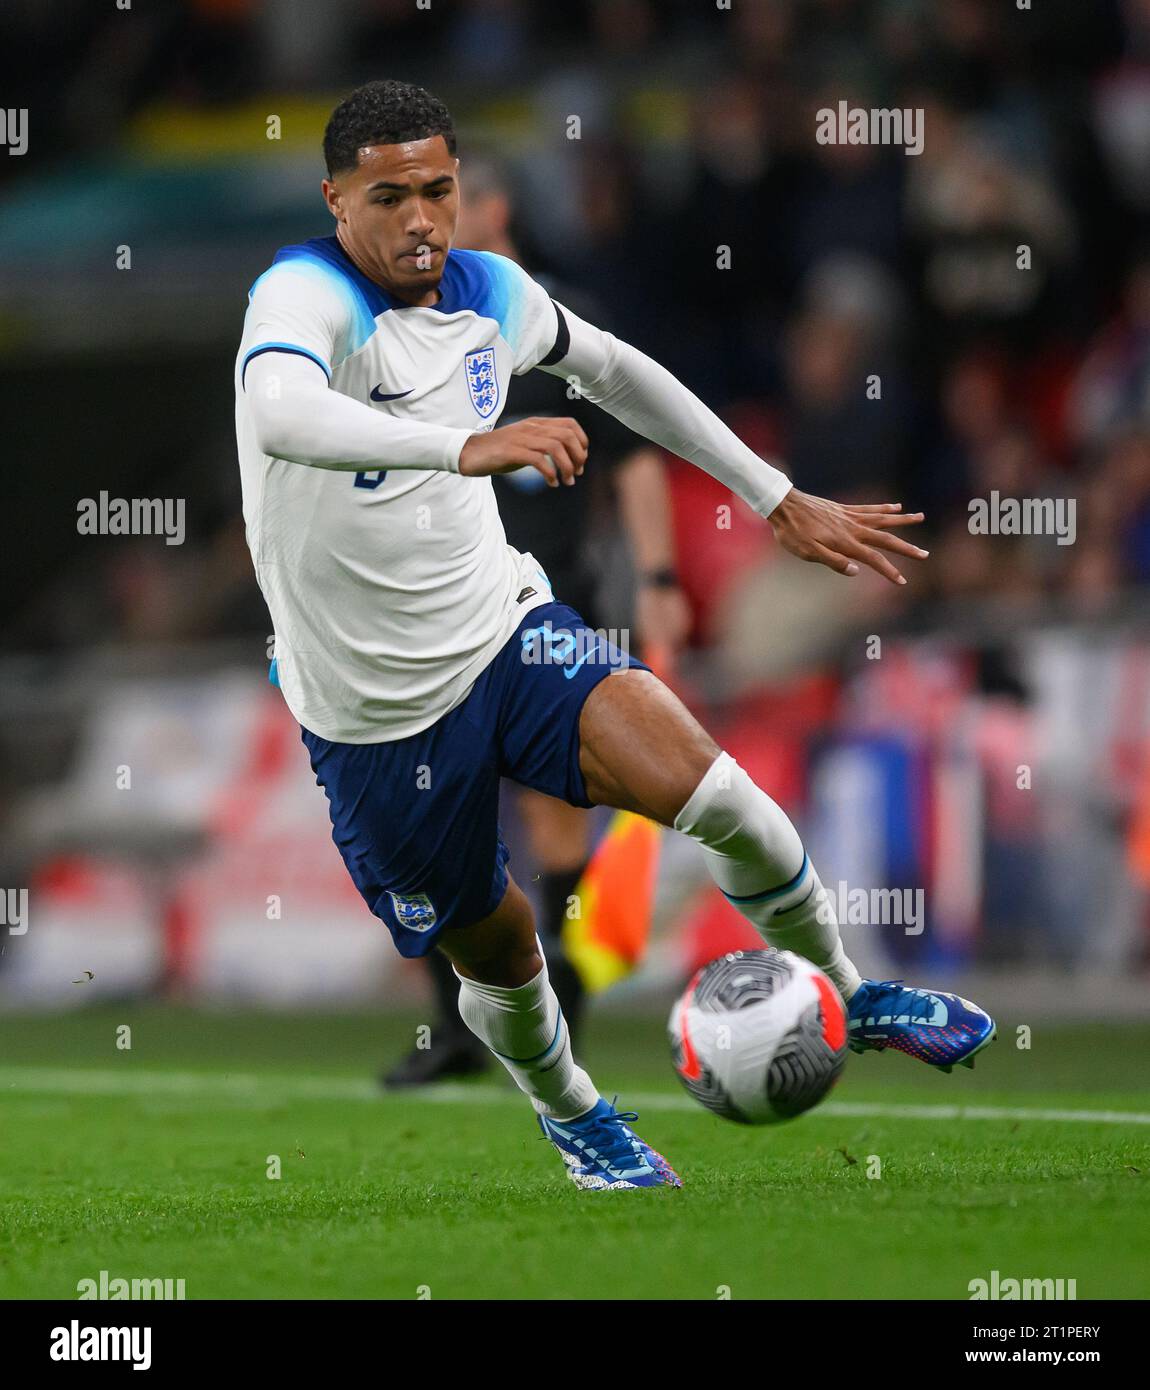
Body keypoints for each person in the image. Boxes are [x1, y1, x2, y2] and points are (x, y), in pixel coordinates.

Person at [235, 80, 996, 1192]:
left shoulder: (491, 290)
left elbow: (617, 370)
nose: (419, 221)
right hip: (371, 713)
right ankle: (573, 1110)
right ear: (336, 200)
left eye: (437, 190)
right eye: (387, 196)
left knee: (719, 792)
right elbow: (278, 414)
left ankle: (848, 988)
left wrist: (772, 493)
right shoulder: (302, 295)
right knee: (495, 947)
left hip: (507, 631)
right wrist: (465, 450)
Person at [381, 154, 690, 1088]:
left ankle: (566, 1031)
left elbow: (635, 460)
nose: (425, 225)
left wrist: (662, 574)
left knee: (560, 832)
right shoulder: (411, 334)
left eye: (445, 200)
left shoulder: (556, 323)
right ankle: (457, 1032)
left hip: (549, 607)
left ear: (498, 206)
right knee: (438, 819)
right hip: (439, 616)